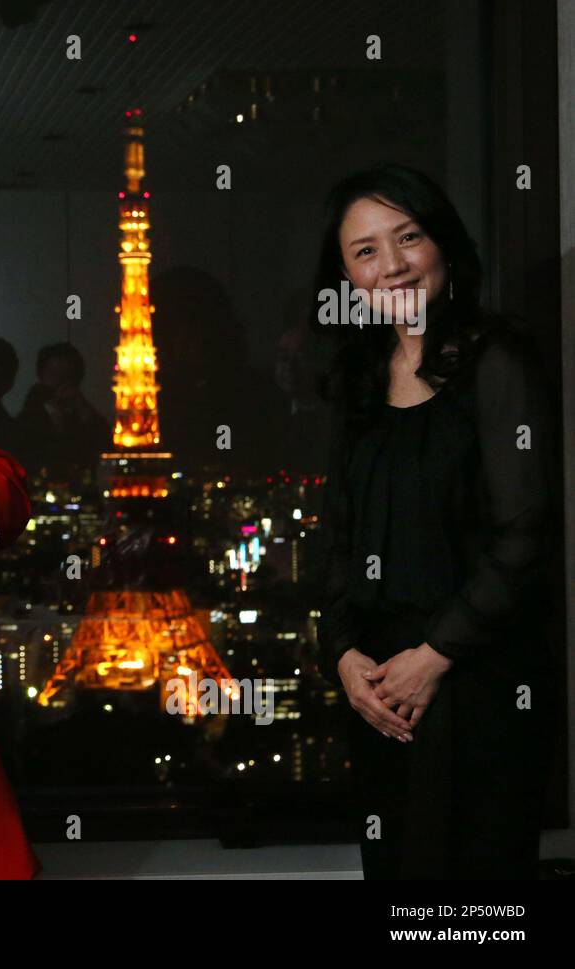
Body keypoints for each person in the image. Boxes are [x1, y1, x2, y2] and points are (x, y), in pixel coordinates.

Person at [313, 162, 559, 879]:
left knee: (471, 906)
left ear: (443, 244)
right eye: (366, 251)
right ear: (348, 278)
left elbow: (526, 532)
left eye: (409, 236)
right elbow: (340, 539)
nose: (392, 265)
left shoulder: (496, 361)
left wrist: (435, 655)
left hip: (479, 679)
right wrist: (343, 656)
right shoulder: (360, 378)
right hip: (382, 694)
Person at [16, 342, 112, 483]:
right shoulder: (30, 414)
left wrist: (83, 410)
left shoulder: (83, 412)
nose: (60, 381)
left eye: (67, 376)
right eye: (54, 374)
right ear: (42, 376)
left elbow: (105, 446)